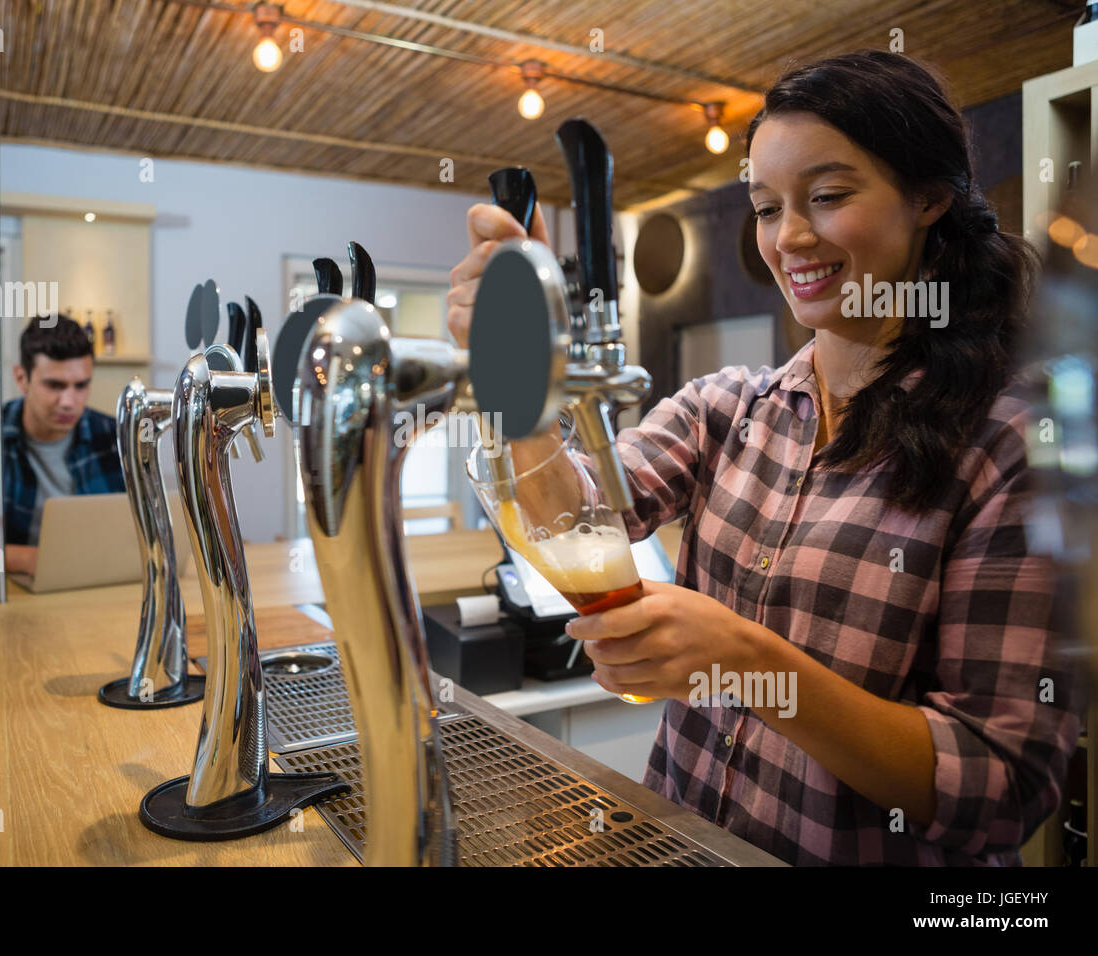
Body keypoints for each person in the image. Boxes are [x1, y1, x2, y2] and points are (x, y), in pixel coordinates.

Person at [447, 50, 1082, 865]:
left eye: (827, 196)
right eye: (765, 206)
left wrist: (743, 660)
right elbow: (573, 521)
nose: (789, 238)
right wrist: (514, 364)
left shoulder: (1011, 446)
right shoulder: (728, 408)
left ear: (929, 197)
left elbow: (1002, 789)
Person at [0, 315, 125, 575]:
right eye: (55, 385)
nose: (68, 401)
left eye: (81, 386)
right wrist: (46, 562)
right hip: (5, 599)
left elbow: (149, 533)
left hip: (100, 590)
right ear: (21, 378)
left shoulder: (116, 436)